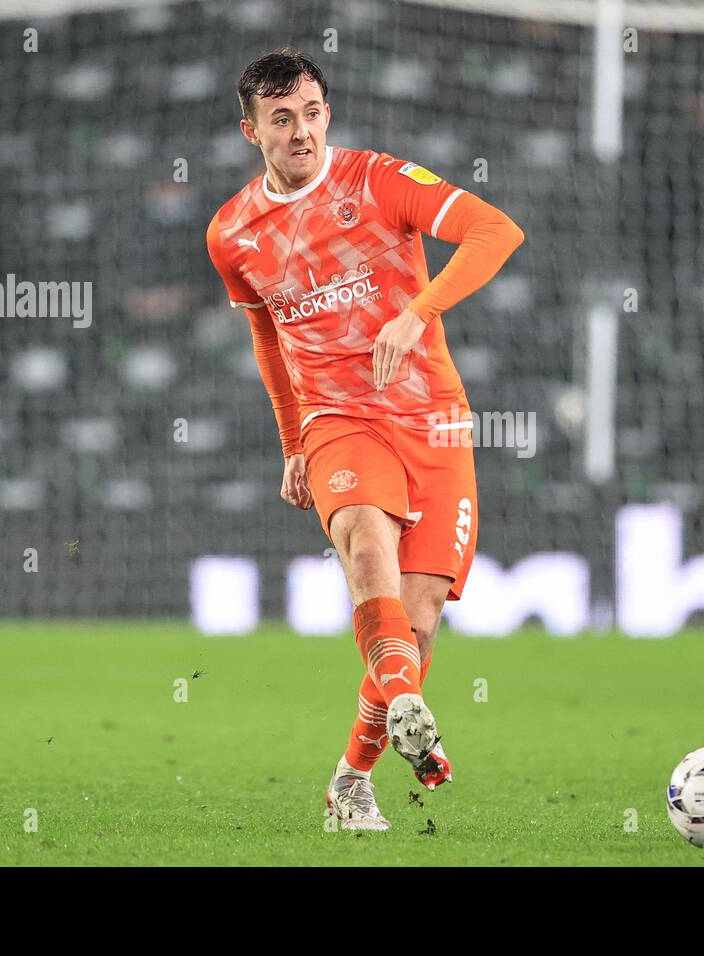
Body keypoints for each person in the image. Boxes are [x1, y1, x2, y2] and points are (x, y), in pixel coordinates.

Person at [206, 47, 524, 830]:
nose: (301, 131)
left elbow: (496, 231)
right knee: (365, 546)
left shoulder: (377, 181)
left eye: (312, 113)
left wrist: (418, 311)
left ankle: (351, 779)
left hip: (434, 421)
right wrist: (292, 440)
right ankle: (409, 700)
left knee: (414, 625)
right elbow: (267, 340)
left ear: (327, 115)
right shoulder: (232, 235)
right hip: (337, 420)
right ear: (251, 131)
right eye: (281, 120)